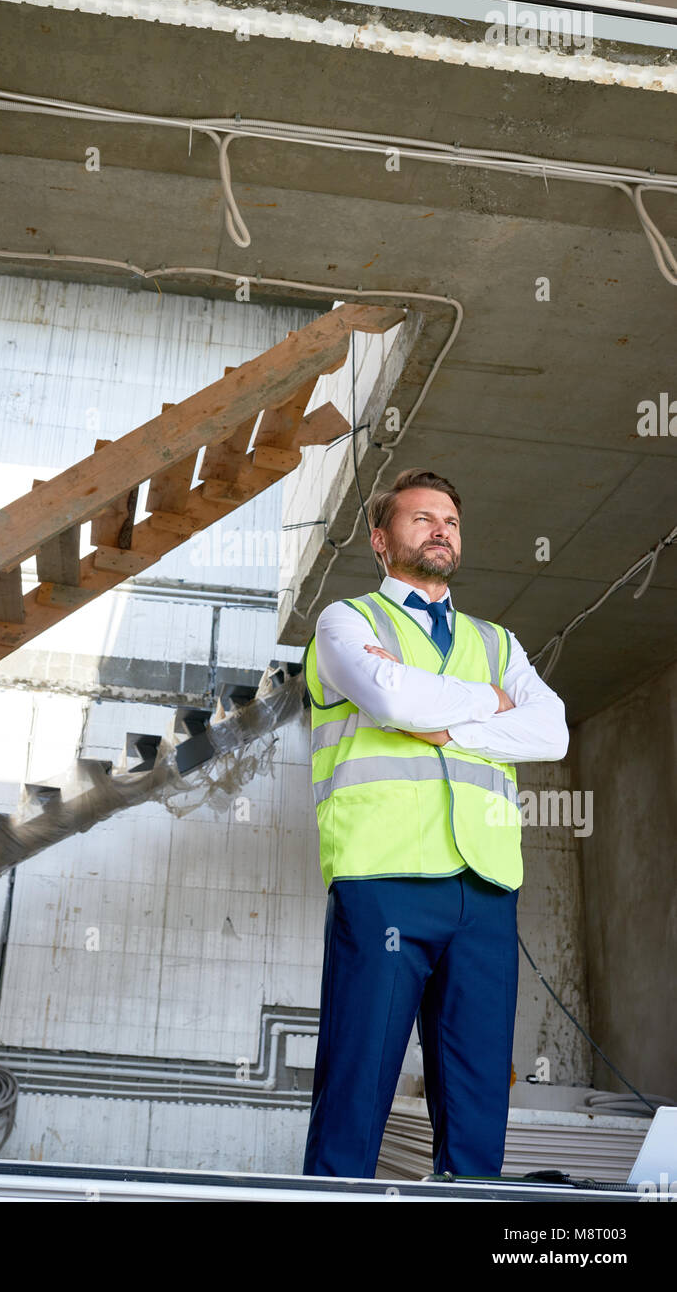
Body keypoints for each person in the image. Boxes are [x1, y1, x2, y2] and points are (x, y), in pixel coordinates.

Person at [301, 467, 569, 1179]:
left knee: (478, 1094)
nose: (439, 530)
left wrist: (446, 725)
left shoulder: (497, 641)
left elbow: (551, 734)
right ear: (380, 540)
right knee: (358, 1078)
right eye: (421, 519)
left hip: (484, 887)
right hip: (384, 876)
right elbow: (393, 703)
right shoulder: (347, 621)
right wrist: (491, 704)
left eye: (449, 521)